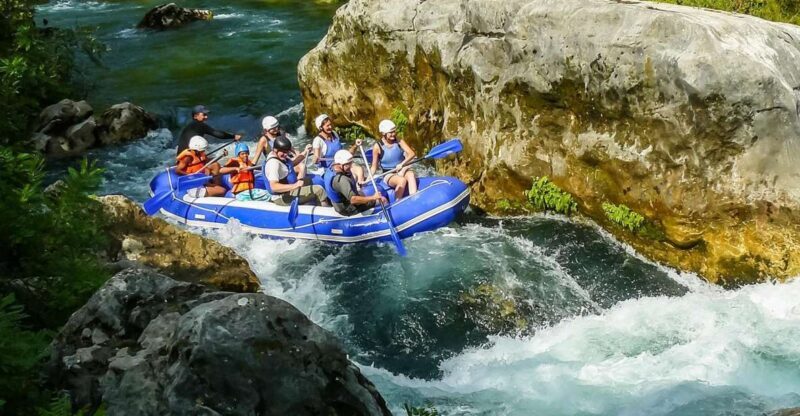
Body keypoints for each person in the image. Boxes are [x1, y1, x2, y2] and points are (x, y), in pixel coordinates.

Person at [264, 136, 328, 206]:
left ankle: (318, 202)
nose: (285, 154)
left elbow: (292, 163)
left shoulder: (280, 156)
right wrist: (295, 185)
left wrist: (305, 152)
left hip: (290, 189)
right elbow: (274, 187)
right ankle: (325, 211)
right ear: (275, 149)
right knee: (319, 190)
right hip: (283, 197)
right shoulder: (273, 164)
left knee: (313, 180)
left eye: (287, 152)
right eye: (283, 152)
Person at [324, 150, 387, 216]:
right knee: (383, 200)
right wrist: (373, 197)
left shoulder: (332, 167)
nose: (351, 166)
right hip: (347, 208)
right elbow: (353, 200)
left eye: (351, 163)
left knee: (365, 194)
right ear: (340, 165)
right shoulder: (341, 180)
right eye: (348, 164)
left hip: (341, 201)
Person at [311, 114, 366, 185]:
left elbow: (345, 155)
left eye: (330, 124)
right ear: (321, 128)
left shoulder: (334, 134)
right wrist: (316, 159)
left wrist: (355, 145)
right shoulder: (318, 141)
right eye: (327, 126)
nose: (330, 127)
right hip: (330, 170)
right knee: (348, 179)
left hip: (343, 165)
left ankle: (360, 187)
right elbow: (315, 160)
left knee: (359, 169)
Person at [370, 119, 418, 198]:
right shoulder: (377, 147)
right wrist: (368, 179)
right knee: (401, 181)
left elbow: (411, 154)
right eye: (391, 132)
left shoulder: (399, 141)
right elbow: (374, 167)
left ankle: (414, 197)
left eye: (394, 131)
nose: (393, 134)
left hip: (402, 169)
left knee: (411, 175)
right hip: (389, 174)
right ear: (383, 133)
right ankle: (397, 202)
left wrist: (402, 164)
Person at [176, 105, 241, 155]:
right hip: (189, 159)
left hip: (181, 158)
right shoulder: (200, 125)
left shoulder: (189, 126)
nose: (206, 117)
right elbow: (218, 134)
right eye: (204, 115)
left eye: (206, 115)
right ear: (195, 116)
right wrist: (233, 136)